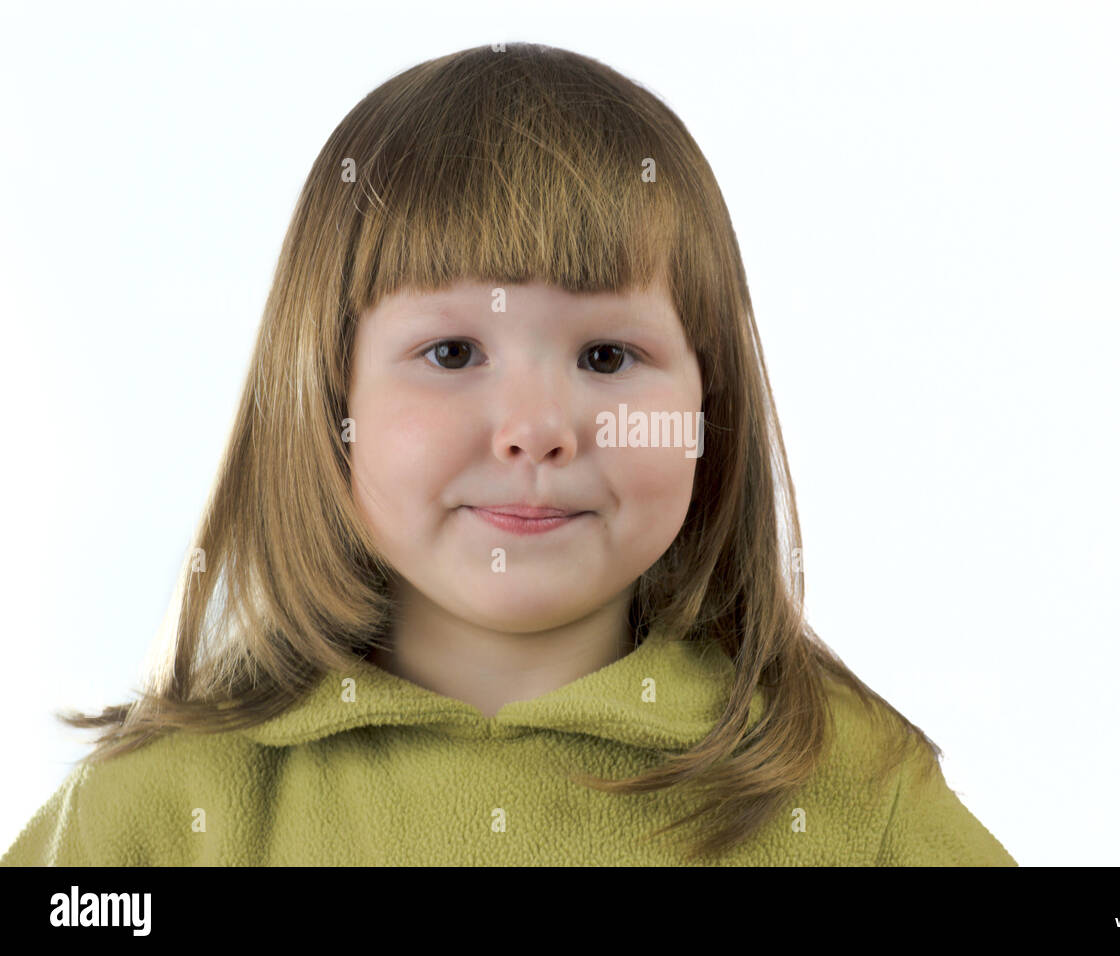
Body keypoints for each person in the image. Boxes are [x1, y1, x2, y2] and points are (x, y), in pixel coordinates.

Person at [1, 42, 1015, 866]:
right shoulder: (151, 816)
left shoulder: (850, 797)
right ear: (328, 396)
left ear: (711, 408)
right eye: (451, 352)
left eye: (608, 354)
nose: (535, 427)